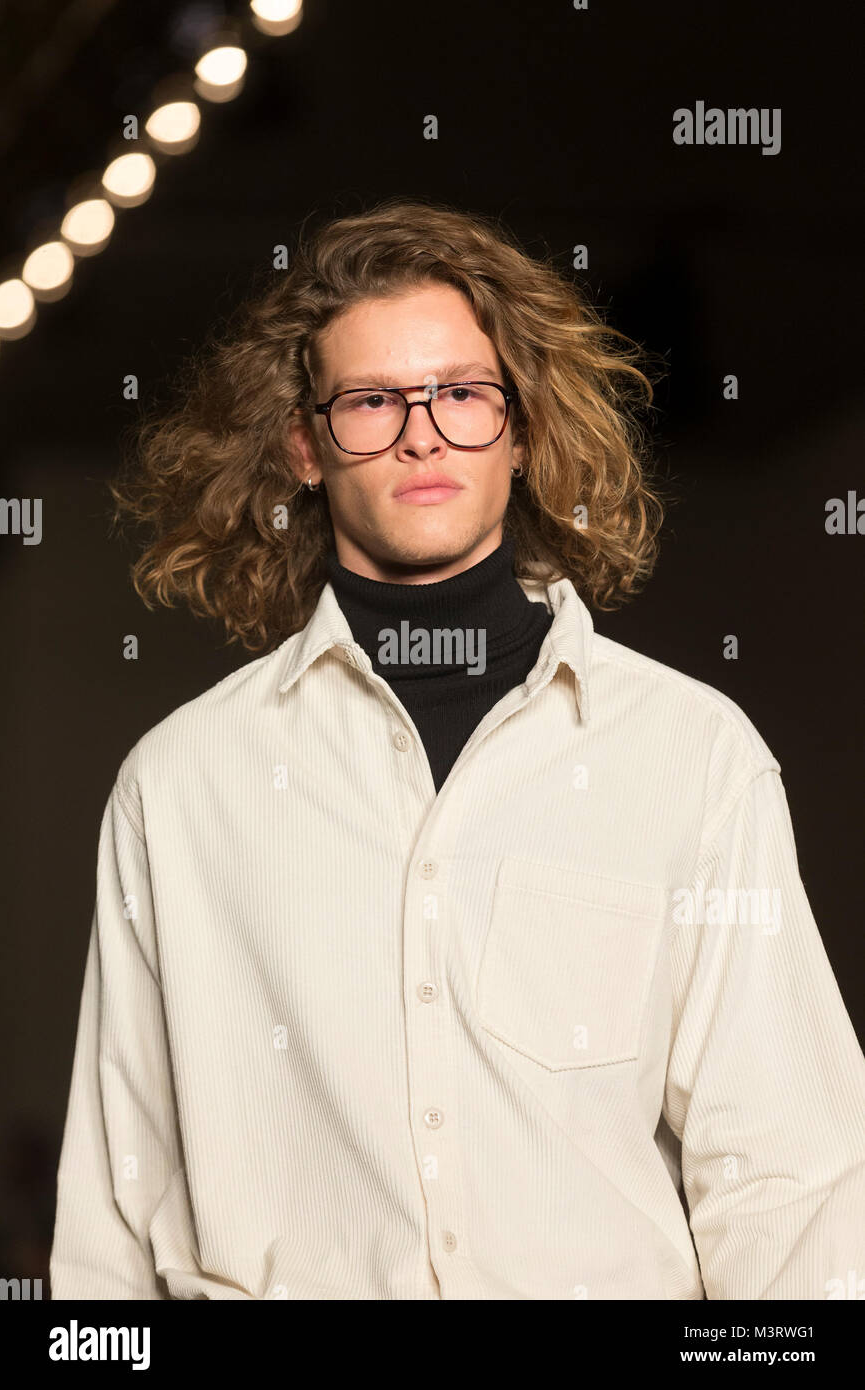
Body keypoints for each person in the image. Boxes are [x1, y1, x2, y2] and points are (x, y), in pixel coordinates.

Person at [50, 198, 865, 1300]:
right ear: (302, 443)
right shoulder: (184, 783)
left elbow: (790, 1176)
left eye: (462, 394)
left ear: (520, 429)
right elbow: (116, 1196)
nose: (422, 433)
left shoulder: (689, 756)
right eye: (372, 400)